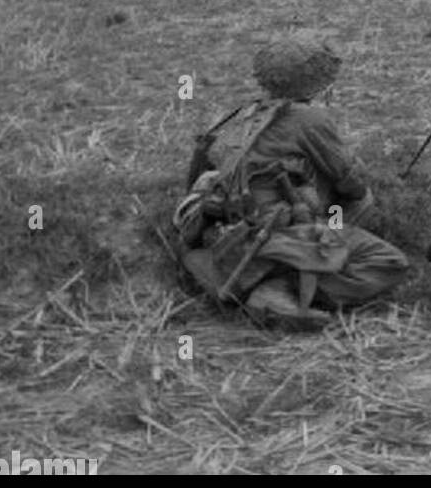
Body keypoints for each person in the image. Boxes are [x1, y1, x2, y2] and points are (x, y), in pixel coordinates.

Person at [173, 33, 409, 325]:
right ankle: (285, 286)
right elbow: (353, 184)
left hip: (228, 230)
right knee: (387, 261)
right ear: (315, 81)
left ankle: (277, 274)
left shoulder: (245, 114)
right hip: (273, 231)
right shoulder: (309, 119)